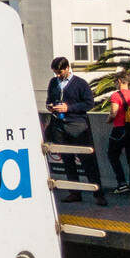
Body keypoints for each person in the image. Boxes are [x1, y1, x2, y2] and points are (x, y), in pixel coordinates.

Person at [45, 56, 107, 206]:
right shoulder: (54, 83)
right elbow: (49, 99)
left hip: (78, 125)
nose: (58, 75)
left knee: (87, 160)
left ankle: (98, 193)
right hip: (59, 125)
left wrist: (69, 108)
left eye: (60, 72)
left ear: (67, 68)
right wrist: (51, 106)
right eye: (56, 73)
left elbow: (89, 103)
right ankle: (74, 192)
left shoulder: (80, 83)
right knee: (67, 160)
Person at [106, 70, 130, 194]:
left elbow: (114, 113)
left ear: (120, 81)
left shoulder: (116, 95)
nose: (115, 84)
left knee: (112, 155)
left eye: (115, 81)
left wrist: (108, 119)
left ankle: (122, 183)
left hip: (120, 129)